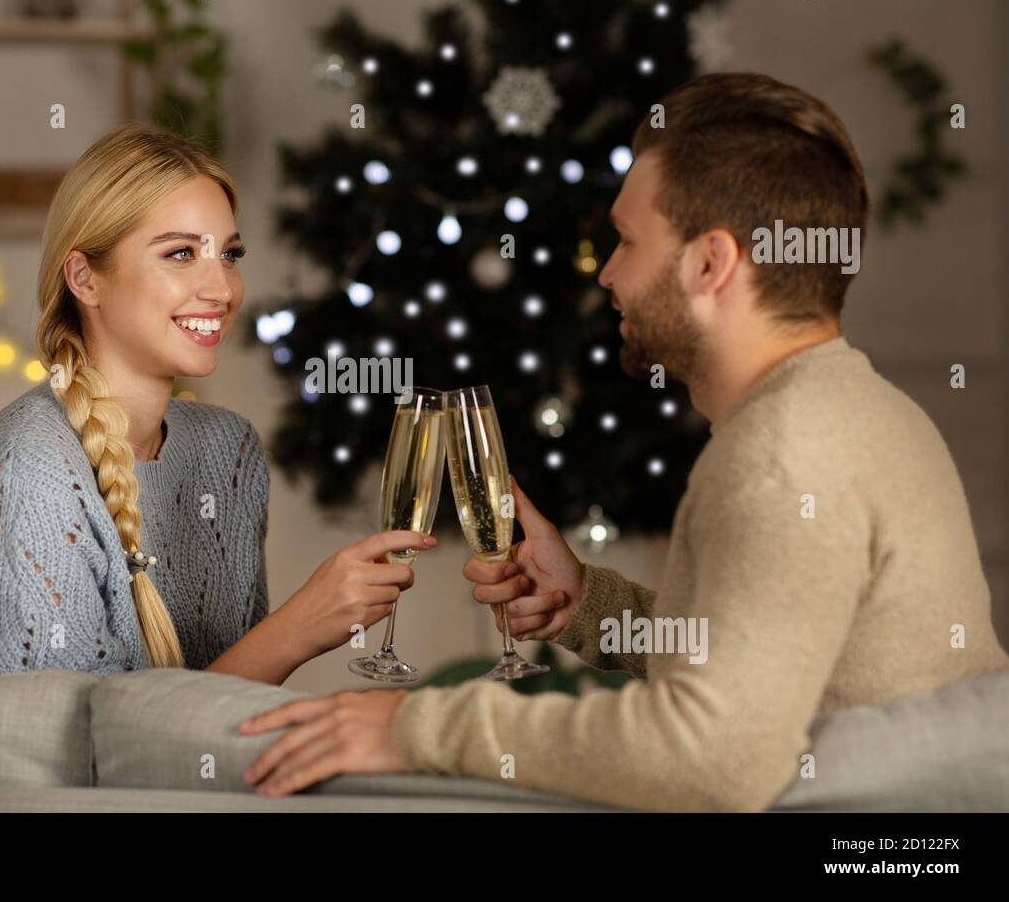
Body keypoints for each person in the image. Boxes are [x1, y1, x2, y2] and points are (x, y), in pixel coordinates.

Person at [238, 72, 1009, 811]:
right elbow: (762, 662)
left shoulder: (786, 450)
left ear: (711, 263)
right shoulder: (849, 409)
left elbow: (712, 757)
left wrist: (416, 728)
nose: (607, 275)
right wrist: (586, 603)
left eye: (627, 243)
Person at [0, 125, 436, 689]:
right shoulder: (28, 473)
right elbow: (75, 759)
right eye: (180, 253)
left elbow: (224, 715)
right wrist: (298, 629)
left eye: (229, 255)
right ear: (84, 278)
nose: (223, 289)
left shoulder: (228, 450)